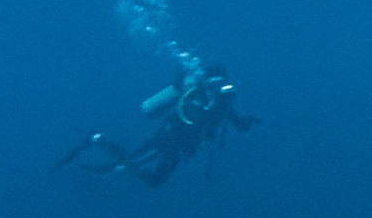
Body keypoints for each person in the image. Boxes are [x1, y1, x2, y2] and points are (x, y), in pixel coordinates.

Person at [55, 65, 259, 188]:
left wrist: (248, 121)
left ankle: (101, 161)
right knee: (143, 172)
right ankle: (97, 141)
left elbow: (237, 125)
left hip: (174, 144)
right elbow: (228, 125)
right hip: (168, 142)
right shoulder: (209, 99)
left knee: (138, 168)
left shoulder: (219, 102)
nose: (224, 90)